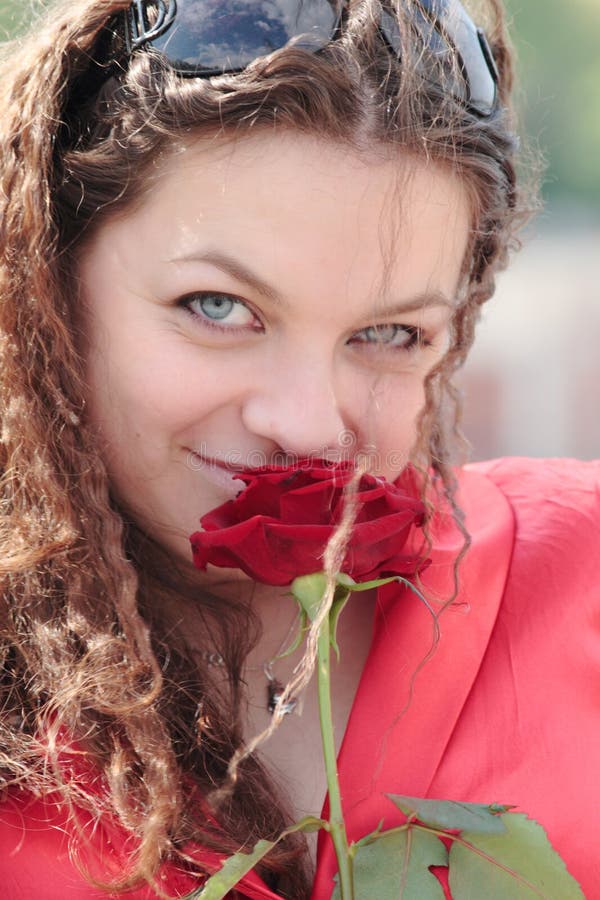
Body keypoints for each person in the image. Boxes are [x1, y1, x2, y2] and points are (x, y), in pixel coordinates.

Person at [0, 1, 598, 898]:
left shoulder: (579, 578)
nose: (309, 424)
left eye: (389, 334)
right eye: (219, 308)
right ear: (48, 279)